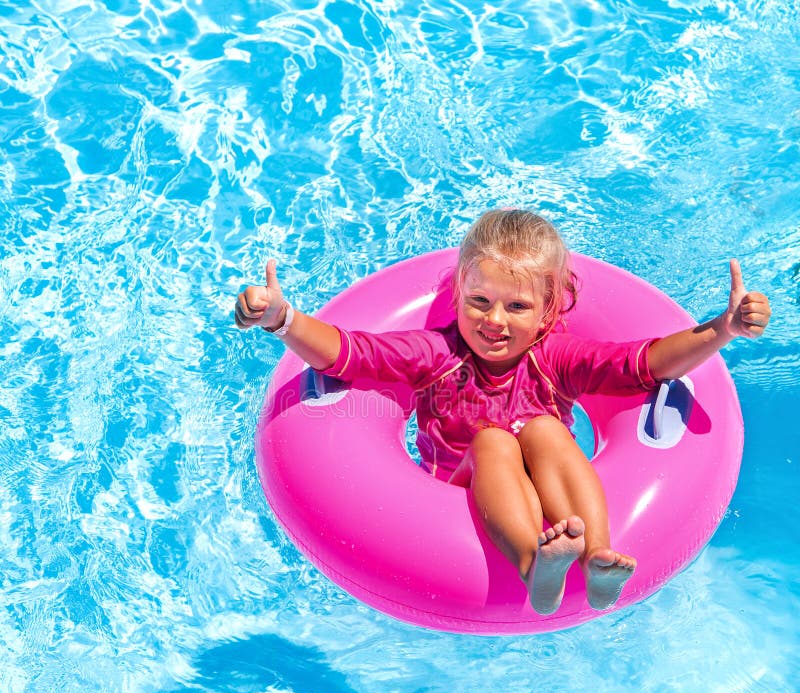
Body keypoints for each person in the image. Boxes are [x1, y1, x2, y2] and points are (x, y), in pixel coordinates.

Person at [235, 209, 771, 615]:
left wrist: (724, 330)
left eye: (516, 306)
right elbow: (350, 350)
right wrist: (283, 320)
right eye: (479, 302)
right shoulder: (436, 354)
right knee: (493, 440)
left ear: (547, 313)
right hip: (460, 485)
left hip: (544, 491)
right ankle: (533, 565)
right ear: (459, 294)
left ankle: (597, 555)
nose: (495, 321)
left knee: (542, 429)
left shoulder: (558, 357)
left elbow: (646, 362)